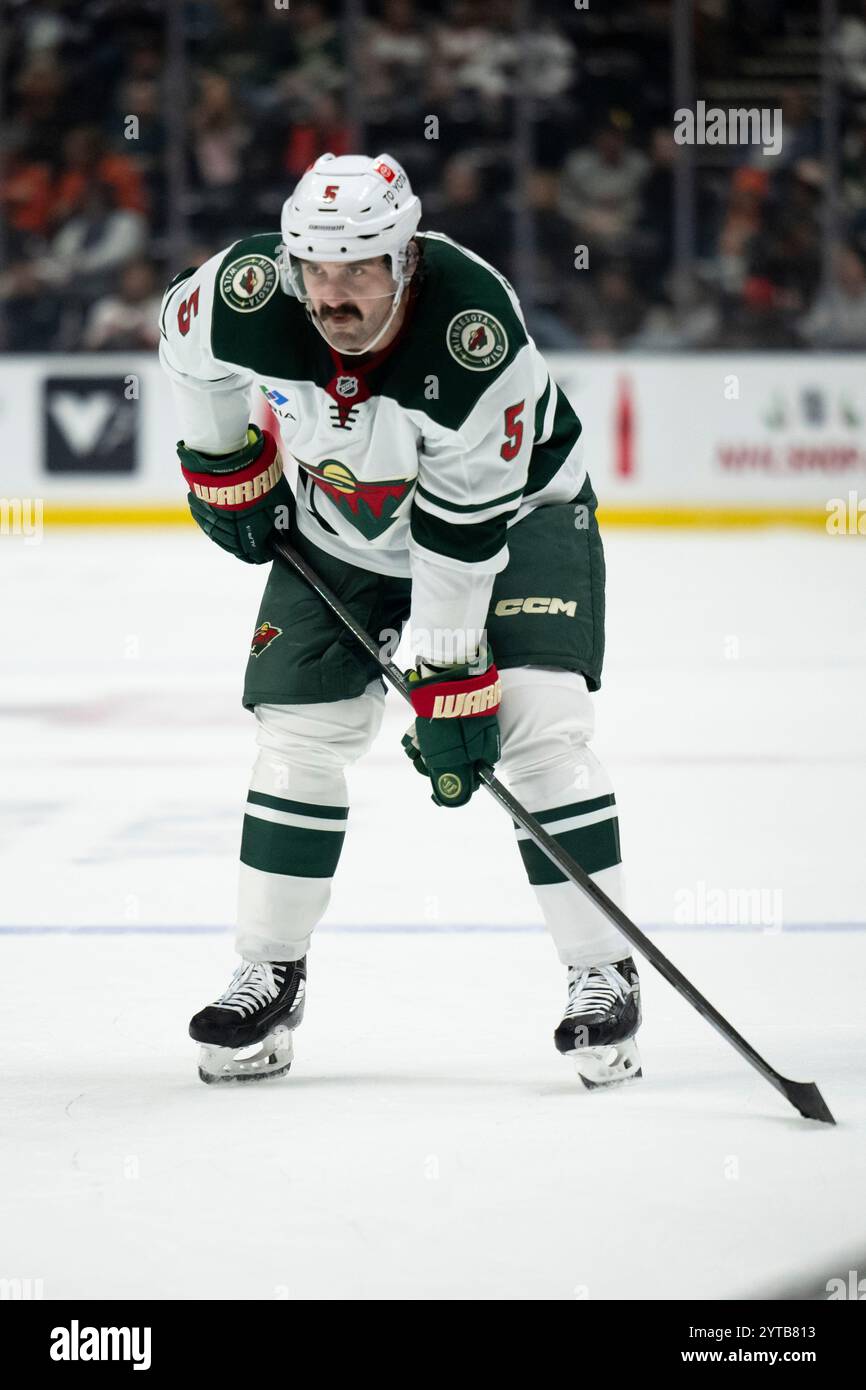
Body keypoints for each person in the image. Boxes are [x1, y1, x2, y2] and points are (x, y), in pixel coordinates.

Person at [159, 152, 641, 1088]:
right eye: (319, 271)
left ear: (406, 259)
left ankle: (602, 973)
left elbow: (461, 544)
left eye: (360, 271)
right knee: (301, 734)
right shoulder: (251, 292)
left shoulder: (473, 337)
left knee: (536, 722)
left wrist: (454, 683)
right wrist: (222, 462)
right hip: (344, 523)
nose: (334, 295)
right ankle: (270, 971)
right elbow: (187, 351)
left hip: (517, 517)